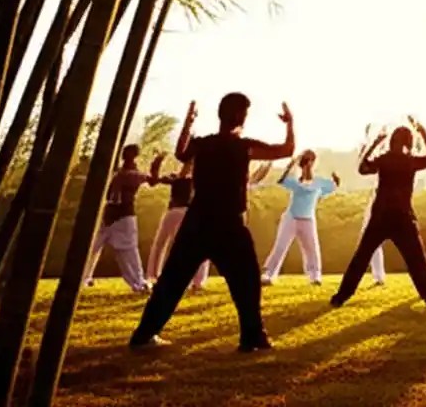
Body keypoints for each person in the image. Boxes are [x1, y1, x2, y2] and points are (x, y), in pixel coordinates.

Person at [130, 95, 294, 351]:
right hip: (229, 222)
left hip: (197, 219)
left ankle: (143, 335)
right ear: (241, 117)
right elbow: (286, 150)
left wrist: (188, 122)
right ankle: (252, 337)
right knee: (247, 280)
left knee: (173, 279)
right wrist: (290, 123)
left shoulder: (203, 144)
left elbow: (180, 152)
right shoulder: (244, 146)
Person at [332, 119, 426, 307]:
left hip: (381, 215)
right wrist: (423, 131)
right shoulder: (410, 161)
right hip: (403, 216)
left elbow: (362, 168)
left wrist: (375, 143)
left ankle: (341, 297)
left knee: (361, 257)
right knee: (416, 260)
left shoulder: (384, 159)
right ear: (408, 142)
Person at [84, 146, 164, 293]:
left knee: (95, 248)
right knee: (126, 251)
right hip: (120, 216)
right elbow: (152, 180)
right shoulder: (131, 174)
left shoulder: (123, 174)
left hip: (113, 215)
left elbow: (150, 180)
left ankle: (83, 278)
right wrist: (157, 162)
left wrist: (156, 162)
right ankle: (138, 283)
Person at [261, 150, 339, 286]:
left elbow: (334, 185)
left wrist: (336, 177)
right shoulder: (295, 182)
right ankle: (268, 274)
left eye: (311, 161)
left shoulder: (319, 183)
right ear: (302, 165)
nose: (309, 165)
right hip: (291, 219)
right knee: (280, 247)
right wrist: (291, 164)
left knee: (312, 249)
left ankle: (315, 277)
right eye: (306, 162)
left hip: (308, 220)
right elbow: (281, 180)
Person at [146, 159, 209, 292]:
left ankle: (196, 280)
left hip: (186, 213)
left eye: (190, 164)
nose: (188, 167)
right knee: (160, 243)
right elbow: (155, 179)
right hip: (172, 212)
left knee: (190, 246)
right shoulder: (174, 178)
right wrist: (156, 163)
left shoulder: (197, 180)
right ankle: (154, 275)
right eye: (187, 164)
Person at [353, 125, 386, 287]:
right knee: (370, 237)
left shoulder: (384, 153)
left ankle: (378, 276)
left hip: (382, 197)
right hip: (378, 196)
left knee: (369, 236)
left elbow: (363, 164)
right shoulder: (379, 151)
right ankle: (378, 276)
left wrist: (373, 141)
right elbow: (362, 163)